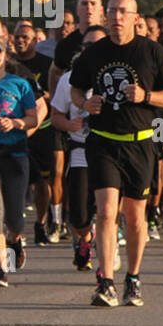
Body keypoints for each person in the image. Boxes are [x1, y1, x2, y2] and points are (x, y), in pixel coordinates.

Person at [70, 0, 163, 307]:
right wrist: (83, 103)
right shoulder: (93, 53)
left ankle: (132, 277)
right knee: (105, 212)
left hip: (140, 142)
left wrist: (146, 96)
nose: (117, 17)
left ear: (136, 17)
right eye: (112, 11)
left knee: (134, 218)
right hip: (103, 141)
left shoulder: (153, 51)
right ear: (105, 17)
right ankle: (105, 281)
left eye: (123, 11)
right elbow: (76, 88)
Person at [0, 34, 45, 287]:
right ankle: (0, 269)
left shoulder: (20, 84)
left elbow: (34, 118)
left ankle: (15, 241)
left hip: (14, 152)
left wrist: (15, 123)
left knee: (14, 216)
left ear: (5, 56)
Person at [51, 24, 109, 271]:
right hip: (80, 152)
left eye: (97, 46)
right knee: (78, 214)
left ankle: (109, 248)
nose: (91, 50)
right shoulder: (68, 79)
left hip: (109, 151)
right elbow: (55, 116)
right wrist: (69, 123)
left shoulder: (114, 77)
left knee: (107, 208)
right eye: (87, 46)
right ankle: (86, 236)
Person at [12, 19, 62, 245]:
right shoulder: (9, 65)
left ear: (35, 40)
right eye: (17, 37)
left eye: (26, 37)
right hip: (16, 130)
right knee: (19, 181)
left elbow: (58, 95)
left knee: (47, 180)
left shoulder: (46, 64)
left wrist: (40, 97)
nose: (20, 41)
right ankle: (14, 230)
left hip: (45, 128)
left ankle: (45, 222)